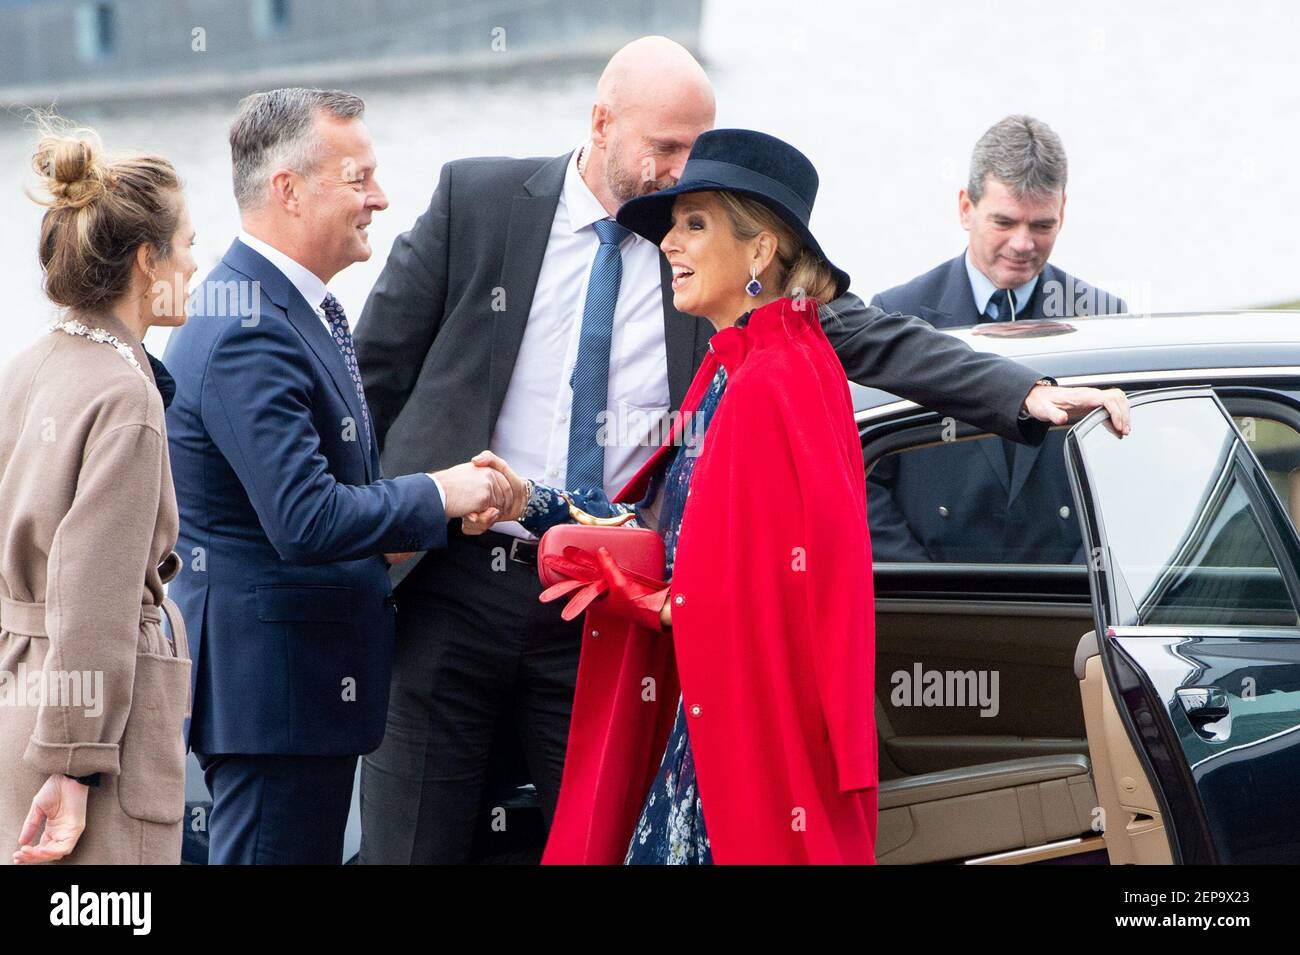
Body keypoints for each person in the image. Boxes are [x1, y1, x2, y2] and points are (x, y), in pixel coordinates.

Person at [355, 38, 1130, 863]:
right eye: (667, 149)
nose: (686, 171)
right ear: (601, 122)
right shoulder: (477, 200)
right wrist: (374, 522)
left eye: (699, 149)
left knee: (591, 840)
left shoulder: (731, 291)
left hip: (598, 622)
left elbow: (864, 337)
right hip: (450, 591)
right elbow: (371, 377)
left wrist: (1022, 394)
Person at [469, 129, 876, 863]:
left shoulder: (771, 381)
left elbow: (778, 591)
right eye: (672, 227)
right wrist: (524, 501)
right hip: (714, 729)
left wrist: (649, 601)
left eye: (695, 224)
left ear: (759, 253)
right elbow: (666, 527)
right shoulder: (740, 366)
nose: (669, 245)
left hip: (743, 753)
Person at [162, 88, 518, 864]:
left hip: (301, 695)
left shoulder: (289, 308)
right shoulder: (248, 327)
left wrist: (406, 528)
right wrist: (438, 493)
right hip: (274, 702)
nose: (379, 198)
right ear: (288, 189)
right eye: (359, 178)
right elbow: (305, 518)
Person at [1, 122, 195, 864]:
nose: (197, 263)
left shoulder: (25, 368)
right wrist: (76, 763)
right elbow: (93, 594)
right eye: (187, 244)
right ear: (149, 260)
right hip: (89, 741)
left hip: (17, 696)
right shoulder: (125, 396)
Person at [867, 115, 1128, 564]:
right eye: (1004, 222)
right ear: (965, 207)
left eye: (1042, 226)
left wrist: (1082, 583)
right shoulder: (898, 314)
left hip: (1061, 602)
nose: (1023, 244)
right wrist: (919, 587)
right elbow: (863, 470)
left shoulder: (1105, 320)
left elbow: (1125, 473)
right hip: (931, 598)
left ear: (1063, 211)